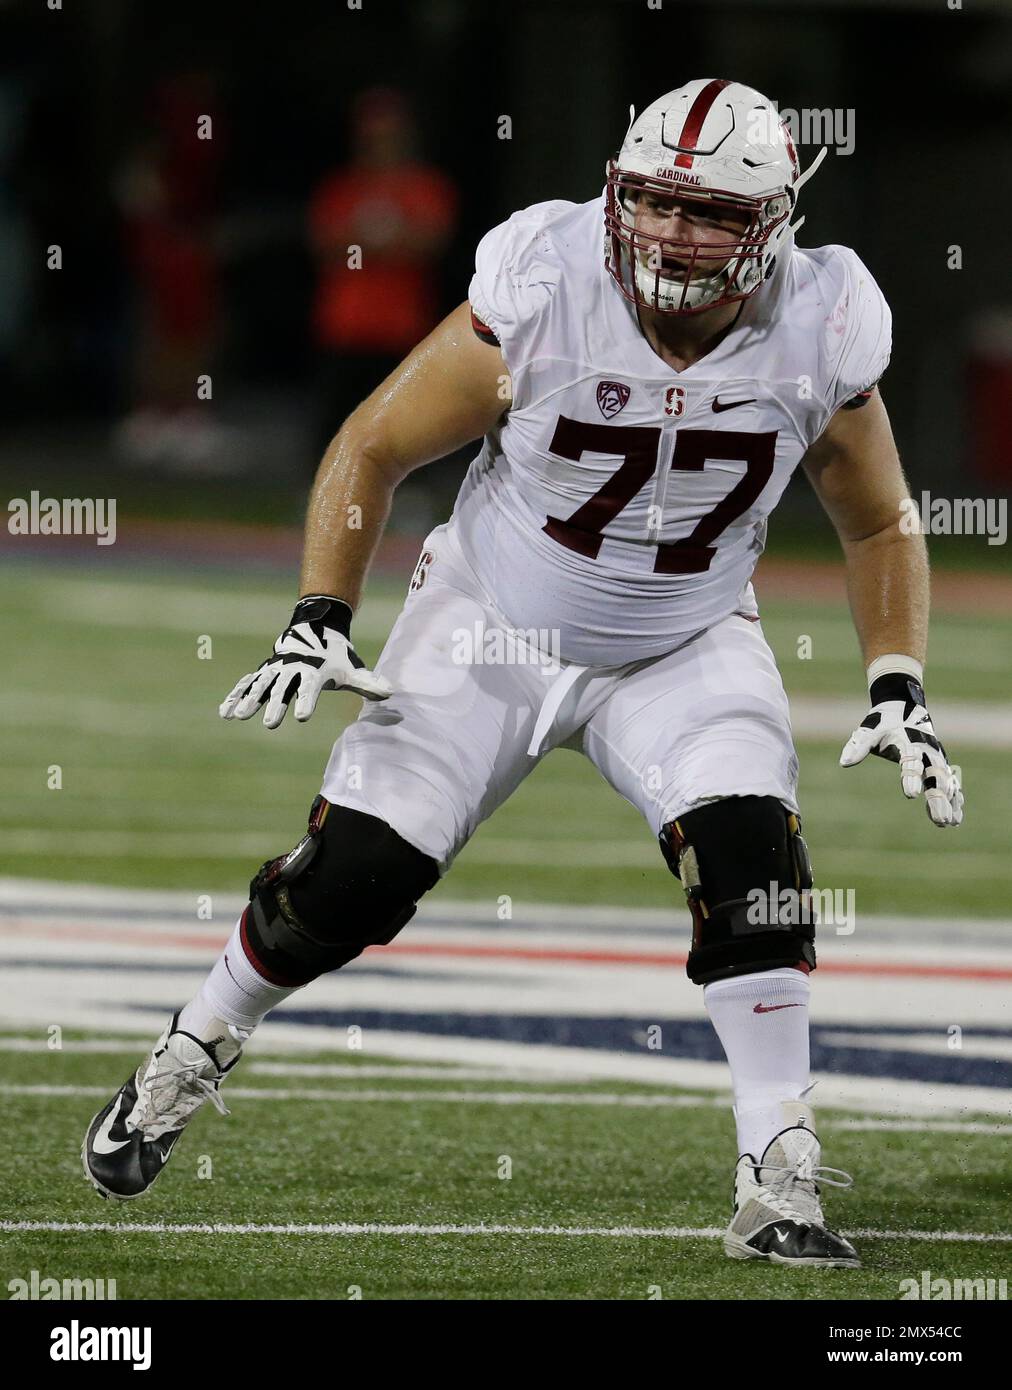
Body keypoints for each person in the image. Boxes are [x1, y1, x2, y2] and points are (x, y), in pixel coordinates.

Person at [84, 79, 963, 1269]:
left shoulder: (823, 316)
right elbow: (375, 443)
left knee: (757, 869)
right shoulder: (549, 281)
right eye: (652, 201)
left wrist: (897, 678)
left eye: (706, 213)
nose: (668, 235)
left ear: (776, 219)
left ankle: (777, 1172)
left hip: (684, 638)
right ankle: (193, 1045)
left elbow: (874, 519)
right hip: (492, 618)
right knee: (352, 882)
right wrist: (317, 613)